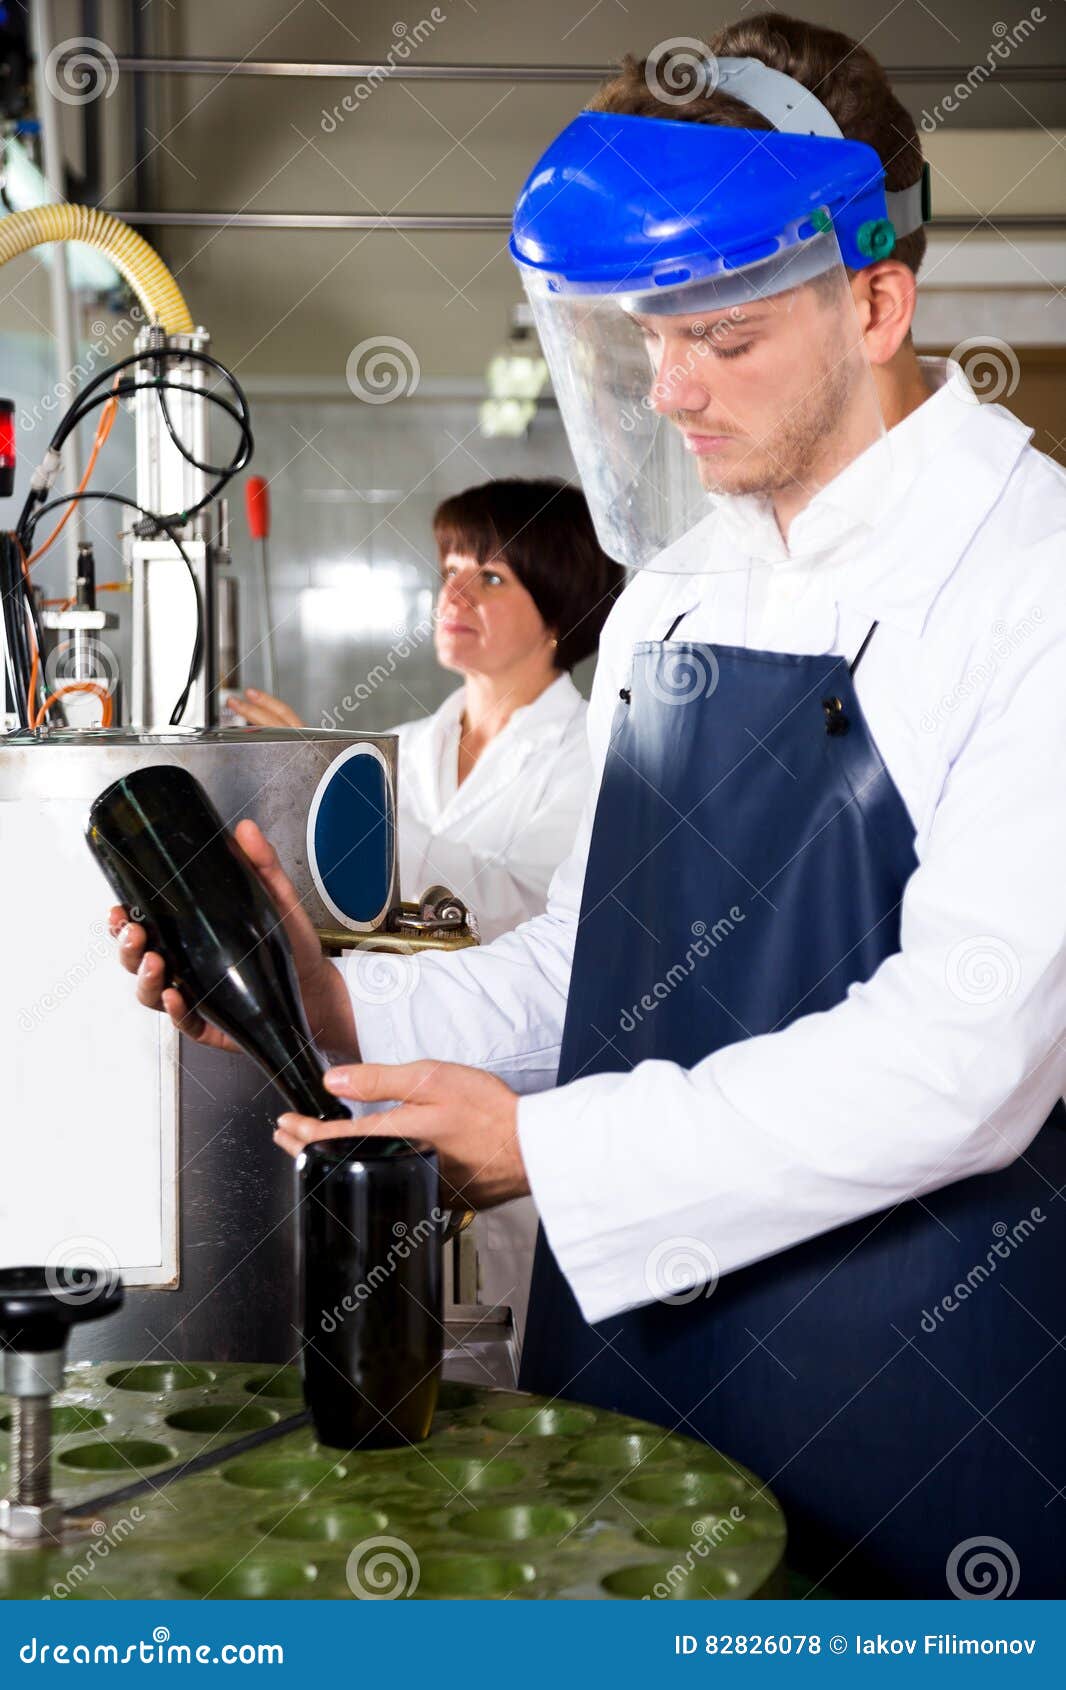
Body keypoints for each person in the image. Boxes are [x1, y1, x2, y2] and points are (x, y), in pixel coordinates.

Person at [115, 15, 1066, 1597]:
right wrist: (337, 998)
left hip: (916, 1403)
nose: (673, 391)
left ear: (878, 299)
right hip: (634, 1396)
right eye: (643, 339)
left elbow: (965, 1059)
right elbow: (608, 965)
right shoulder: (672, 597)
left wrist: (547, 1150)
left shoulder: (1028, 574)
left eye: (727, 336)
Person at [225, 476, 622, 1341]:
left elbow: (526, 909)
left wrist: (350, 800)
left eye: (490, 576)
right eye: (448, 568)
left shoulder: (594, 759)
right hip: (378, 1083)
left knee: (493, 1352)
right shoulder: (405, 745)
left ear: (557, 607)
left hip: (503, 1096)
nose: (453, 593)